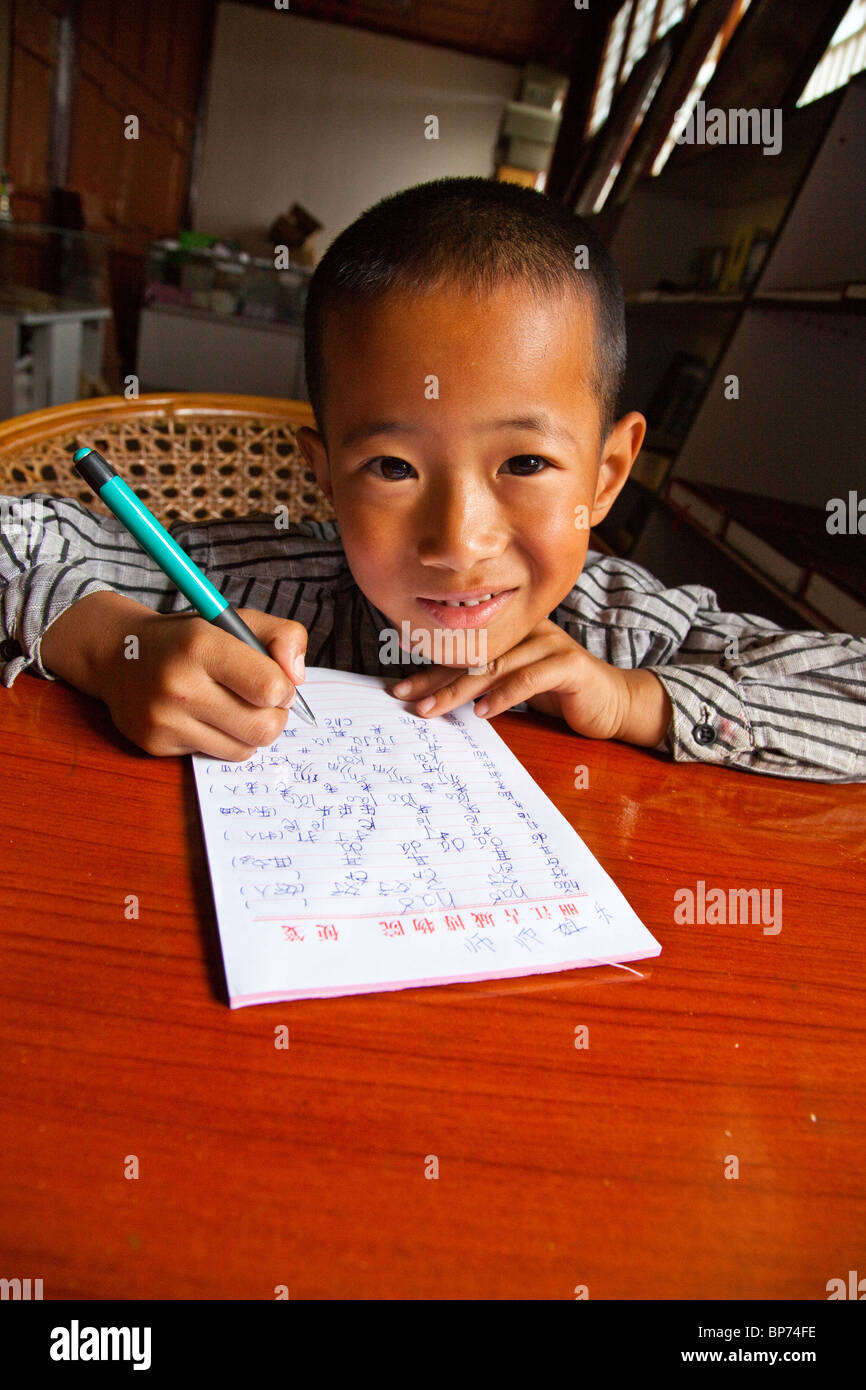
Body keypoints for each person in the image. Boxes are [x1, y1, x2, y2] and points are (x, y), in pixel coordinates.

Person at [1, 177, 864, 780]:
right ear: (327, 480)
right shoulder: (256, 582)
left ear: (605, 477)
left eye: (525, 463)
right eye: (392, 467)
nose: (457, 540)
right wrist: (108, 646)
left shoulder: (625, 628)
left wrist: (637, 701)